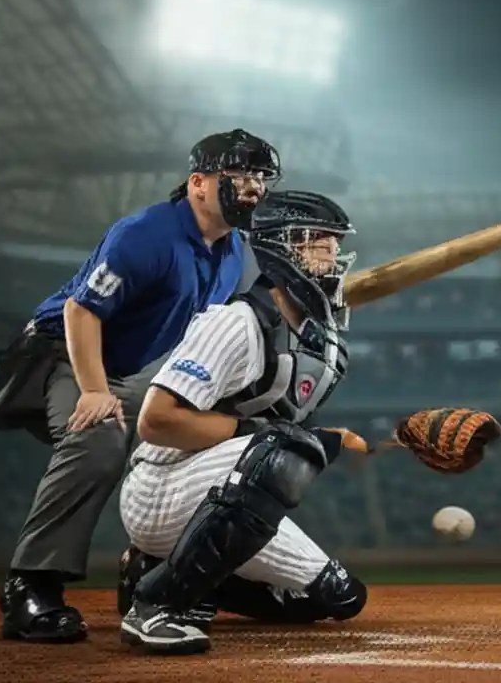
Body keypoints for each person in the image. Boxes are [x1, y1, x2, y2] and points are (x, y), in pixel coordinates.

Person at [0, 128, 281, 643]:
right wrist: (96, 392)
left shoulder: (234, 250)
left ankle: (154, 572)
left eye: (260, 177)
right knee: (99, 437)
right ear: (198, 183)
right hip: (61, 352)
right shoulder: (146, 233)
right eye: (239, 175)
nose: (253, 187)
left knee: (212, 428)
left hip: (132, 366)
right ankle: (29, 584)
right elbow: (82, 311)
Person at [114, 190, 370, 655]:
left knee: (341, 596)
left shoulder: (310, 340)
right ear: (279, 249)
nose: (332, 253)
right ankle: (155, 605)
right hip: (160, 485)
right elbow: (156, 421)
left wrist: (319, 440)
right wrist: (264, 438)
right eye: (316, 240)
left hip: (216, 488)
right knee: (282, 450)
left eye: (334, 242)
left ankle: (152, 572)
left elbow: (268, 423)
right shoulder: (235, 323)